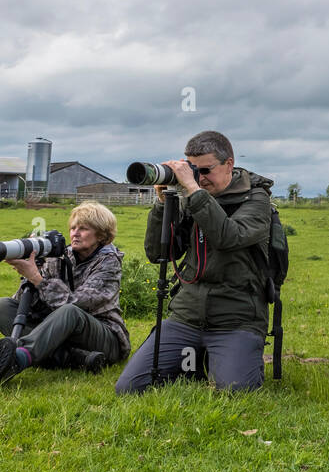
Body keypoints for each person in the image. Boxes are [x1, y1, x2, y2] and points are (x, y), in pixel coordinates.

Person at [115, 130, 274, 394]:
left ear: (229, 165)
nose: (199, 178)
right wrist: (163, 203)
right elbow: (158, 253)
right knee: (130, 387)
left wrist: (192, 189)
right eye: (193, 170)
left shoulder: (255, 199)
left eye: (206, 170)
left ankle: (221, 359)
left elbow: (227, 237)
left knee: (236, 390)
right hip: (186, 316)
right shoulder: (192, 197)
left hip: (235, 319)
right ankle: (200, 360)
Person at [0, 201, 129, 390]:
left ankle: (18, 359)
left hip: (103, 336)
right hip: (61, 331)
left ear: (102, 235)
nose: (75, 233)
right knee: (2, 307)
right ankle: (75, 358)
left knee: (70, 311)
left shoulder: (109, 263)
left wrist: (37, 278)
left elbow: (79, 304)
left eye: (83, 228)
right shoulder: (61, 255)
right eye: (72, 228)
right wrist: (29, 274)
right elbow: (30, 304)